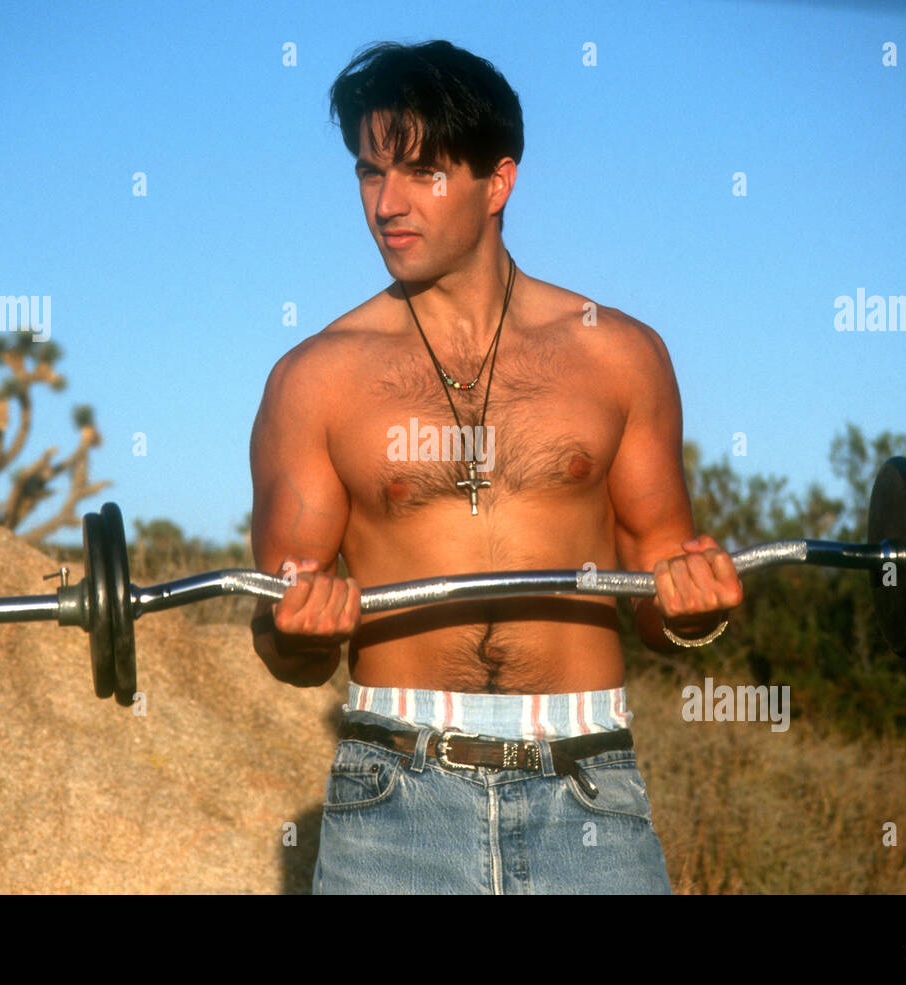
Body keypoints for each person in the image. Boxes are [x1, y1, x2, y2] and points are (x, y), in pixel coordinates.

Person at [248, 40, 743, 894]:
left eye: (423, 173)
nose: (387, 204)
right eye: (370, 173)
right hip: (392, 794)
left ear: (498, 181)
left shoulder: (620, 356)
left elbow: (662, 592)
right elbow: (283, 632)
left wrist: (699, 610)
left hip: (588, 787)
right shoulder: (314, 380)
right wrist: (298, 633)